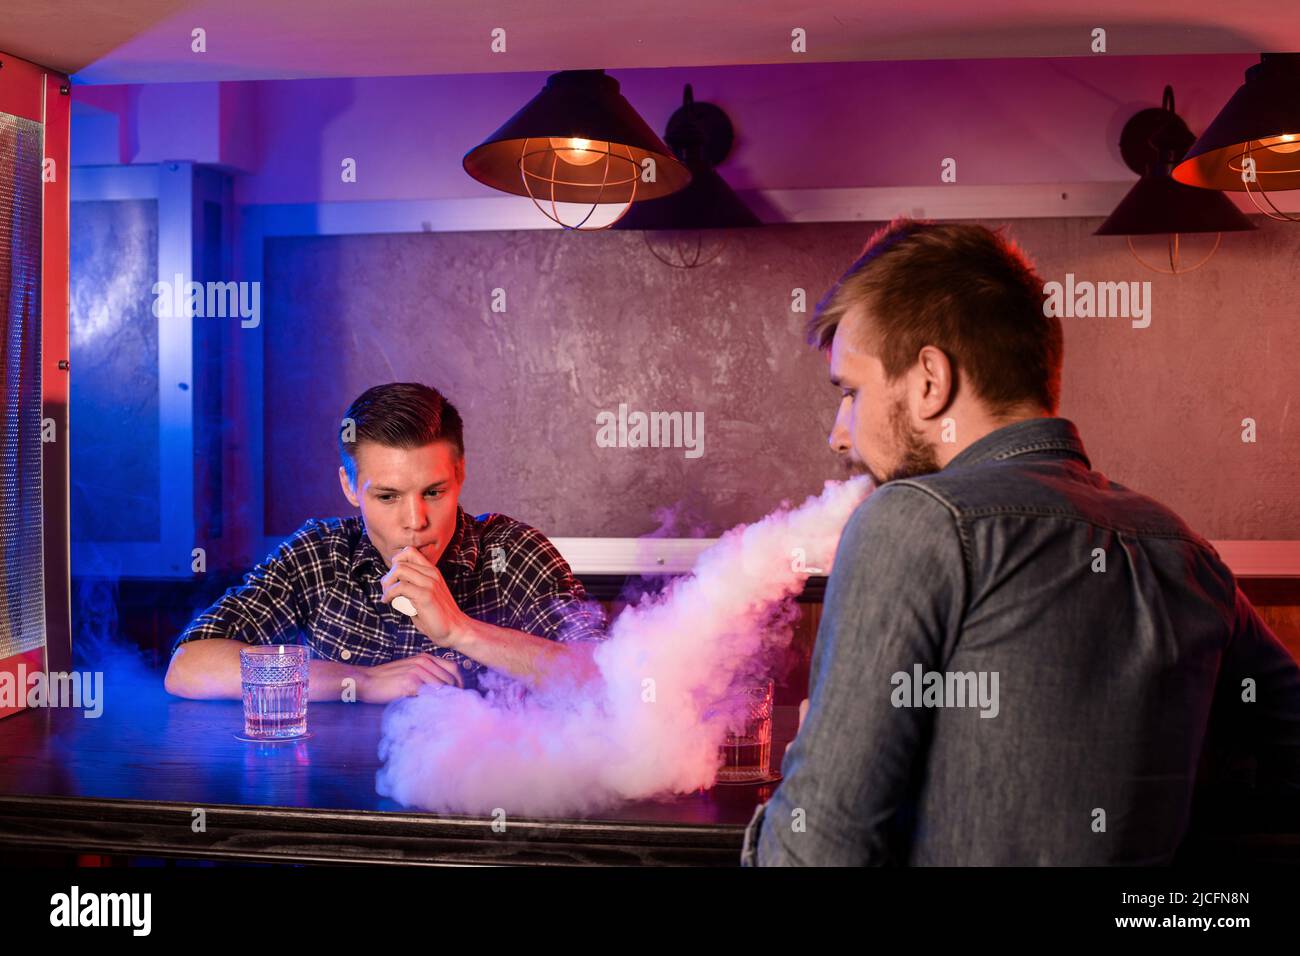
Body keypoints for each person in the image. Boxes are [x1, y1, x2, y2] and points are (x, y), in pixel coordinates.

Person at [742, 219, 1300, 865]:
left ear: (929, 381)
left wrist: (817, 758)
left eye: (851, 391)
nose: (840, 436)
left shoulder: (913, 519)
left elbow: (818, 850)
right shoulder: (1183, 549)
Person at [165, 382, 605, 703]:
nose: (415, 522)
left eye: (434, 492)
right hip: (333, 811)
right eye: (388, 496)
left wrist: (460, 630)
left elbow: (607, 684)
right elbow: (188, 668)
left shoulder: (514, 553)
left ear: (461, 475)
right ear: (351, 487)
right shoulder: (318, 556)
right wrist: (361, 680)